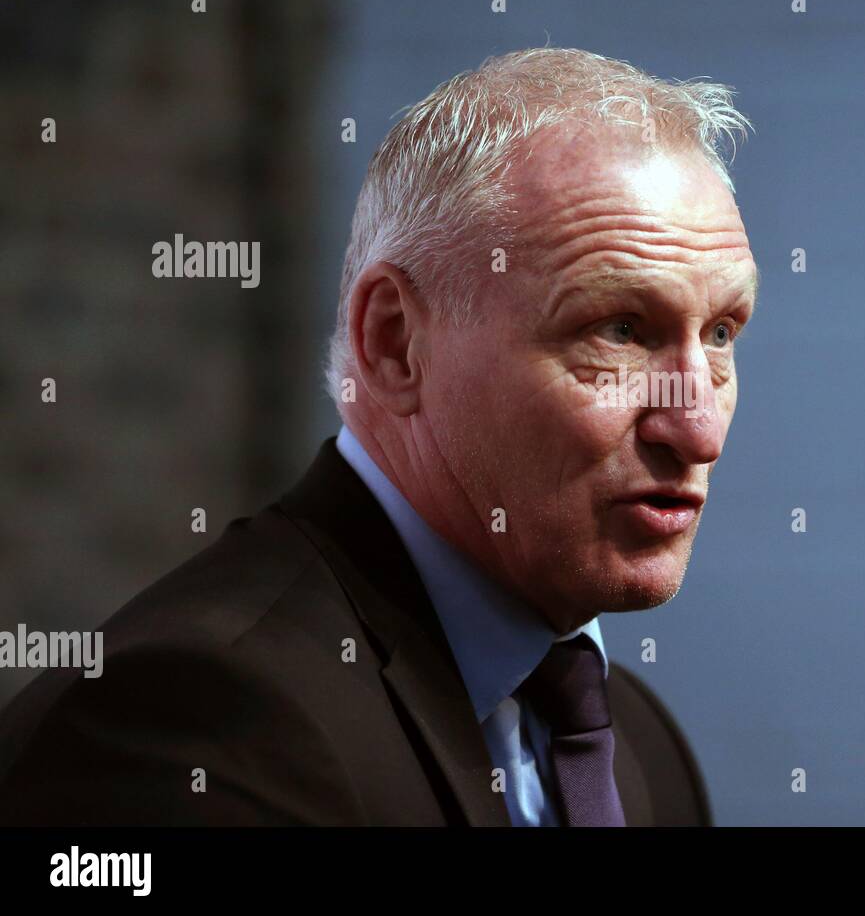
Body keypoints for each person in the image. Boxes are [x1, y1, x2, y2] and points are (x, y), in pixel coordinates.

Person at [0, 47, 758, 826]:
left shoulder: (642, 750)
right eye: (621, 331)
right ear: (395, 344)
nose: (698, 428)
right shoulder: (191, 722)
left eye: (723, 333)